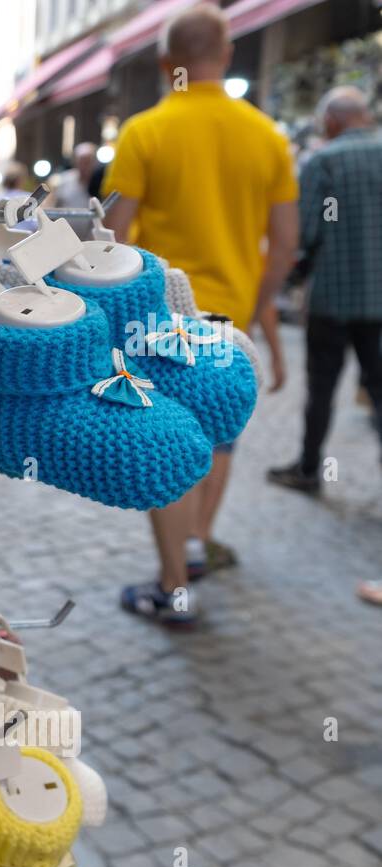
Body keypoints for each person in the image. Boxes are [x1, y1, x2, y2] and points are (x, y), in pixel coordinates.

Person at [102, 3, 299, 626]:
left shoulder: (144, 132)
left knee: (167, 445)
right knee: (219, 437)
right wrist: (259, 306)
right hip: (230, 321)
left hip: (163, 322)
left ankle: (172, 585)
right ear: (229, 54)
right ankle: (196, 543)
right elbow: (287, 244)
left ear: (167, 64)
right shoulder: (267, 137)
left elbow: (111, 238)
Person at [267, 85, 382, 495]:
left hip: (333, 298)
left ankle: (310, 468)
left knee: (322, 390)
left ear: (332, 121)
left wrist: (291, 278)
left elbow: (309, 231)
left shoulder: (324, 161)